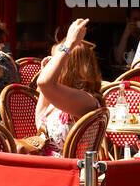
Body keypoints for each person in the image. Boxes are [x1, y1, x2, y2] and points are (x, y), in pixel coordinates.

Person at [35, 18, 104, 157]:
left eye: (57, 60)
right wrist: (46, 71)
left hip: (66, 172)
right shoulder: (61, 95)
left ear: (68, 66)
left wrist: (68, 45)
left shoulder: (87, 100)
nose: (54, 63)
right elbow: (39, 120)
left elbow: (44, 83)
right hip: (48, 168)